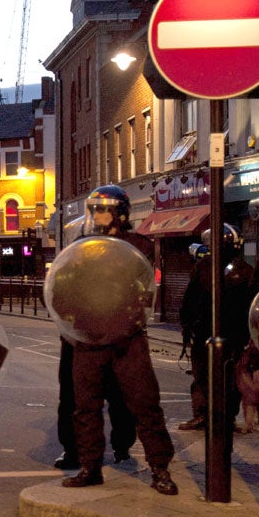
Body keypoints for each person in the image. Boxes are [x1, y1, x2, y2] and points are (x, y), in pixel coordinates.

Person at [62, 186, 180, 496]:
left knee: (145, 403)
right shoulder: (82, 247)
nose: (98, 215)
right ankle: (90, 467)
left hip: (127, 338)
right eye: (95, 210)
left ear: (121, 214)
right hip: (90, 337)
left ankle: (160, 468)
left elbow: (147, 289)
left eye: (105, 210)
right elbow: (65, 287)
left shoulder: (137, 246)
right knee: (85, 407)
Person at [177, 224, 256, 433]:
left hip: (222, 333)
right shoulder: (235, 268)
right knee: (208, 376)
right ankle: (211, 416)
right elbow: (191, 298)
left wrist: (187, 324)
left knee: (219, 377)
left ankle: (217, 416)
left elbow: (191, 299)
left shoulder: (229, 269)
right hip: (215, 332)